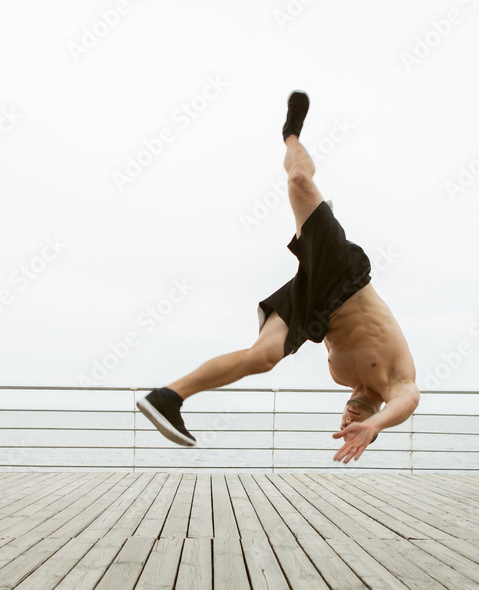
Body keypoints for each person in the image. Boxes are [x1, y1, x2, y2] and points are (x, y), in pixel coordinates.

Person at [137, 91, 419, 464]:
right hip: (345, 279)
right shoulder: (394, 380)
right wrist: (377, 425)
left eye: (347, 424)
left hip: (313, 307)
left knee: (265, 356)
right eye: (358, 423)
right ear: (373, 417)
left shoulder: (343, 378)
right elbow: (409, 399)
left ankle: (168, 397)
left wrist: (369, 424)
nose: (351, 419)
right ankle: (292, 133)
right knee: (299, 179)